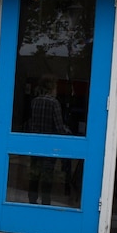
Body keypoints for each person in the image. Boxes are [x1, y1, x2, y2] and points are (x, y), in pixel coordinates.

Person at [26, 74, 70, 205]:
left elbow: (30, 123)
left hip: (35, 144)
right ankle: (46, 202)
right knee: (47, 176)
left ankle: (32, 200)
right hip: (49, 145)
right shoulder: (54, 103)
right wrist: (68, 132)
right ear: (52, 88)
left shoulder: (34, 101)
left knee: (34, 174)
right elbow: (59, 127)